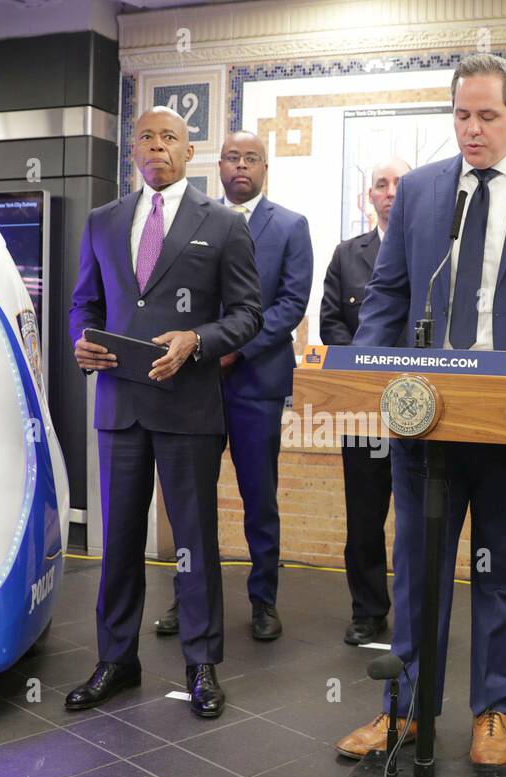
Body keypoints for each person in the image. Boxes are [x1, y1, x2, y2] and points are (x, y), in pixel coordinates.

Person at [337, 53, 506, 767]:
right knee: (417, 569)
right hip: (426, 420)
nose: (472, 129)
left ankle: (491, 710)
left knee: (502, 576)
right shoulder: (425, 191)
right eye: (461, 115)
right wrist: (369, 373)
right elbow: (390, 296)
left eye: (487, 116)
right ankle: (402, 709)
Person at [66, 106, 262, 718]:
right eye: (146, 138)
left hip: (189, 407)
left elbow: (247, 315)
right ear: (134, 151)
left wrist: (196, 341)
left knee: (194, 543)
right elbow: (84, 303)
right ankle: (116, 661)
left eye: (169, 138)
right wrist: (83, 341)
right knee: (119, 541)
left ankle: (202, 664)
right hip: (119, 406)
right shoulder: (102, 221)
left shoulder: (224, 224)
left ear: (189, 151)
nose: (157, 147)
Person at [154, 131, 313, 643]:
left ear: (265, 168)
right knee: (191, 499)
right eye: (232, 158)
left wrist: (233, 348)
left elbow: (291, 304)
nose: (241, 166)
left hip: (255, 382)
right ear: (217, 166)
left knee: (258, 496)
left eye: (251, 158)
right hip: (195, 381)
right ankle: (190, 598)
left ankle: (263, 600)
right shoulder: (195, 220)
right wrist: (199, 348)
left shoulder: (290, 226)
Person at [319, 157, 411, 645]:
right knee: (365, 514)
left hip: (425, 406)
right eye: (382, 184)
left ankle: (419, 610)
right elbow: (331, 320)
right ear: (369, 196)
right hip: (365, 408)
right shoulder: (346, 254)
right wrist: (367, 367)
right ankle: (368, 610)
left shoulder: (438, 249)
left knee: (420, 516)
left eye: (400, 183)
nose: (391, 191)